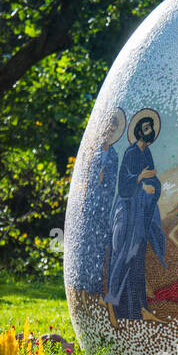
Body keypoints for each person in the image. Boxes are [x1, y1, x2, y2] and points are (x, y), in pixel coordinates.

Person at [105, 109, 166, 326]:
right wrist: (141, 181)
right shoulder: (131, 153)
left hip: (140, 214)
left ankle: (139, 309)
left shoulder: (146, 154)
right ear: (139, 131)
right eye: (147, 128)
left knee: (138, 260)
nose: (150, 132)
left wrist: (151, 188)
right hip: (127, 213)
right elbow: (124, 186)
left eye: (151, 129)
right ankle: (113, 307)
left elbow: (154, 180)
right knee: (123, 257)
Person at [73, 107, 126, 299]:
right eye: (108, 127)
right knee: (87, 246)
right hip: (89, 209)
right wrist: (97, 178)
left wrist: (104, 180)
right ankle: (83, 288)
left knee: (100, 248)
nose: (109, 131)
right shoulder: (91, 152)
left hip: (104, 208)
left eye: (113, 128)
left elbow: (112, 183)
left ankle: (95, 289)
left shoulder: (113, 155)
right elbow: (83, 182)